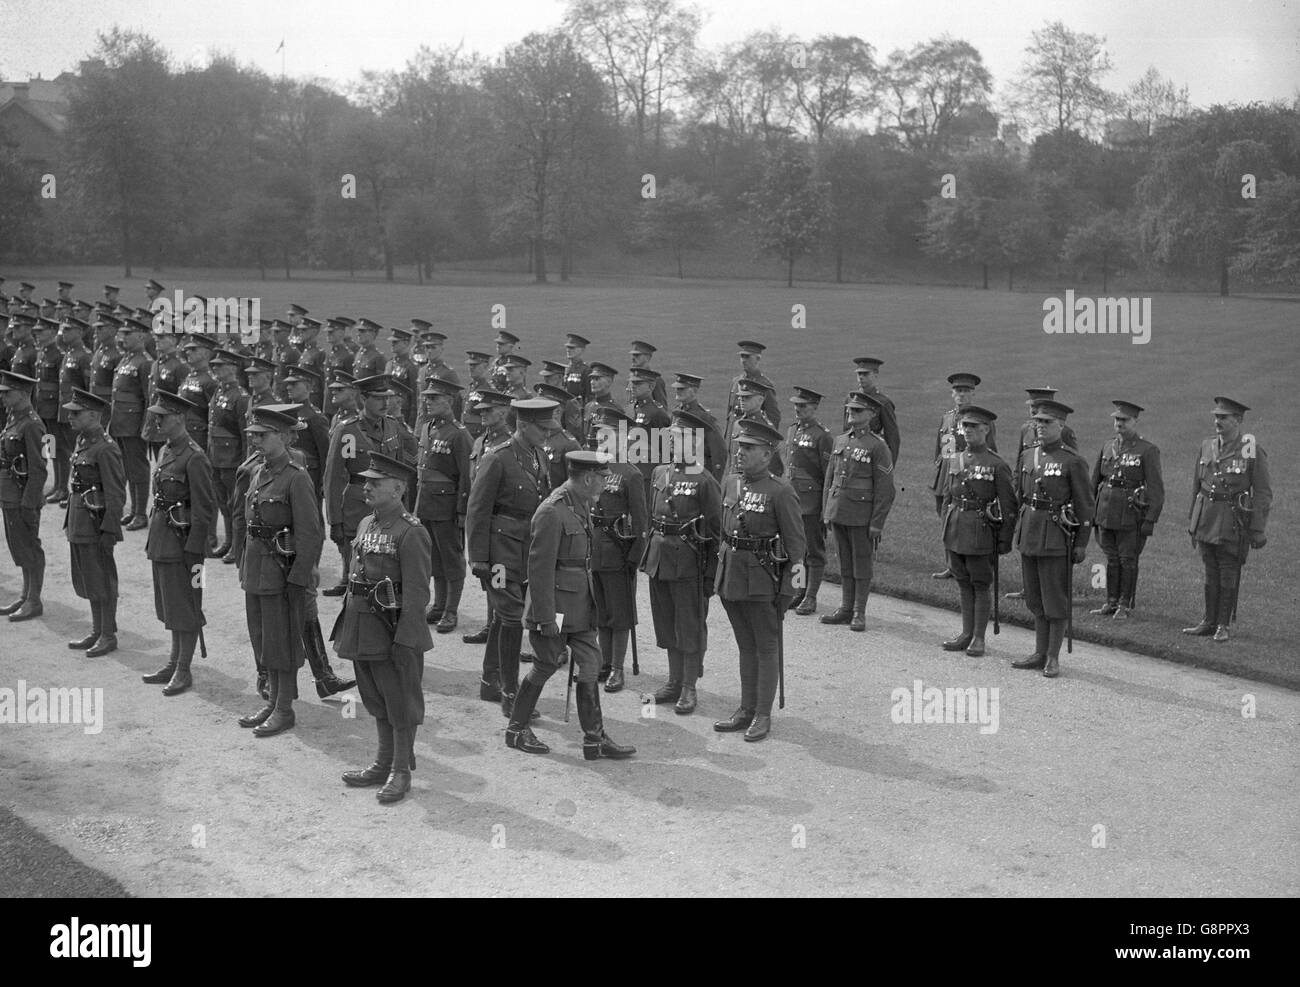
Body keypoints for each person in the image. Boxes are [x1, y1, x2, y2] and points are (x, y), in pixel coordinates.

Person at [505, 449, 636, 761]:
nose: (606, 482)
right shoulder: (552, 511)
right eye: (603, 478)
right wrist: (547, 618)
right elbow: (539, 570)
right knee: (547, 663)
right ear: (588, 477)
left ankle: (594, 738)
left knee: (591, 663)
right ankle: (516, 728)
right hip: (555, 609)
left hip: (579, 605)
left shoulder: (581, 504)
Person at [333, 452, 434, 804]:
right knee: (375, 698)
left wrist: (406, 640)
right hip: (364, 626)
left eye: (377, 482)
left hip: (393, 631)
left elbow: (418, 593)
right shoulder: (366, 524)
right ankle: (381, 762)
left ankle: (400, 771)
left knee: (401, 702)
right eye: (367, 480)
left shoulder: (411, 532)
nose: (368, 486)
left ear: (399, 488)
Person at [233, 406, 325, 736]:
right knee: (263, 641)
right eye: (253, 435)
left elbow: (311, 533)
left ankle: (284, 708)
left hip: (282, 574)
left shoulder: (296, 478)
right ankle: (273, 702)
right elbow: (248, 522)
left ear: (284, 437)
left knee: (282, 643)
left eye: (263, 435)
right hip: (257, 570)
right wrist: (243, 563)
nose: (256, 441)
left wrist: (298, 578)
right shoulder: (260, 471)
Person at [713, 419, 805, 742]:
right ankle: (745, 708)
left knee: (766, 648)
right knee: (745, 645)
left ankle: (762, 714)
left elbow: (798, 549)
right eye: (740, 447)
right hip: (732, 579)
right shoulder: (730, 482)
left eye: (749, 449)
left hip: (762, 583)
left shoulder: (780, 492)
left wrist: (790, 591)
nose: (740, 453)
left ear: (767, 456)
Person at [465, 397, 555, 715]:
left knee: (504, 617)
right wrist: (478, 558)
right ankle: (510, 693)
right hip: (500, 551)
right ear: (524, 425)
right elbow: (477, 510)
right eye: (542, 428)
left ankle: (491, 682)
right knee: (512, 615)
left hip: (525, 550)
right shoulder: (497, 458)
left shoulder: (537, 456)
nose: (547, 434)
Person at [642, 407, 721, 712]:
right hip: (660, 558)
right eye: (671, 438)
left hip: (689, 561)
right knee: (667, 623)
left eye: (680, 439)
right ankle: (674, 681)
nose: (673, 444)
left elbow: (716, 532)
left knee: (689, 626)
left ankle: (689, 686)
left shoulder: (704, 480)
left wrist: (710, 576)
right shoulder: (661, 473)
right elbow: (653, 518)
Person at [1010, 399, 1094, 678]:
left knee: (1054, 599)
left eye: (1047, 422)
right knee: (1034, 598)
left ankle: (1053, 657)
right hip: (1030, 532)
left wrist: (1081, 542)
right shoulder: (1027, 456)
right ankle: (1039, 652)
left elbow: (1085, 505)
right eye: (1038, 421)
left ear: (1061, 425)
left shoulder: (1073, 461)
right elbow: (1019, 495)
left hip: (1055, 536)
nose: (1041, 427)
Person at [140, 390, 217, 695]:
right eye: (156, 416)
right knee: (170, 606)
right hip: (162, 540)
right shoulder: (166, 451)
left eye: (163, 417)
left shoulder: (194, 457)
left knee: (186, 607)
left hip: (185, 547)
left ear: (180, 418)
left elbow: (204, 509)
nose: (157, 422)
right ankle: (174, 662)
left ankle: (184, 669)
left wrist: (194, 552)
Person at [1182, 396, 1271, 642]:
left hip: (1232, 521)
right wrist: (1193, 521)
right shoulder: (1207, 445)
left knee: (1228, 571)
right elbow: (1196, 485)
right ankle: (1208, 621)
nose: (1217, 421)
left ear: (1238, 420)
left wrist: (1257, 528)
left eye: (1223, 417)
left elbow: (1263, 492)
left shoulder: (1249, 448)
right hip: (1207, 518)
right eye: (1216, 417)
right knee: (1210, 570)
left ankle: (1223, 625)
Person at [937, 406, 1016, 655]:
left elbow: (1009, 506)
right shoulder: (956, 459)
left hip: (980, 532)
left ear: (986, 430)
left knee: (980, 583)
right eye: (965, 426)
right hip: (956, 527)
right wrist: (946, 526)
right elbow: (949, 495)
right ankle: (966, 633)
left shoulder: (996, 464)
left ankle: (979, 638)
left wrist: (1004, 538)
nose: (968, 431)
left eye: (974, 427)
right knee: (962, 581)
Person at [322, 375, 405, 596]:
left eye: (386, 398)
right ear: (363, 399)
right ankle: (349, 581)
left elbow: (401, 467)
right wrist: (334, 519)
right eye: (378, 398)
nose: (385, 403)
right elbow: (333, 477)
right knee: (353, 544)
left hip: (387, 499)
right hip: (357, 499)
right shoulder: (347, 430)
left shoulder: (393, 426)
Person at [822, 392, 896, 632]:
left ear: (872, 415)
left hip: (861, 515)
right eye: (850, 410)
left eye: (857, 411)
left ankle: (858, 611)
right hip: (840, 509)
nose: (851, 414)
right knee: (844, 562)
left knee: (861, 563)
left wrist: (877, 522)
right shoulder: (840, 440)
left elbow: (885, 489)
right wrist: (827, 510)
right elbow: (830, 478)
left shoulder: (878, 446)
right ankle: (845, 607)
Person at [586, 405, 648, 692]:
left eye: (606, 434)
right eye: (598, 434)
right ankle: (603, 662)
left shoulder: (630, 474)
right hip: (594, 548)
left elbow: (642, 524)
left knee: (619, 613)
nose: (600, 440)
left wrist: (633, 558)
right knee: (600, 610)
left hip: (618, 551)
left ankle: (617, 668)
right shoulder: (593, 469)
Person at [63, 389, 126, 654]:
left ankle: (108, 634)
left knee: (102, 579)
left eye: (76, 413)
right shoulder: (82, 440)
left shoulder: (105, 448)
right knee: (88, 577)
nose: (70, 417)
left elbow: (115, 493)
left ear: (93, 415)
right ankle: (97, 629)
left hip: (96, 523)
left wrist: (110, 529)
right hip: (79, 519)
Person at [1089, 401, 1165, 620]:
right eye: (1117, 419)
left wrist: (1150, 518)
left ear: (1135, 422)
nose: (1119, 423)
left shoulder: (1147, 450)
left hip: (1130, 513)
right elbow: (1095, 480)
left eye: (1124, 420)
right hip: (1105, 510)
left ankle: (1125, 603)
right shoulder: (1107, 446)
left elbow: (1156, 488)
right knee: (1111, 558)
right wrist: (1091, 511)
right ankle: (1111, 601)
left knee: (1127, 559)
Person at [414, 377, 470, 633]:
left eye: (434, 398)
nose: (427, 401)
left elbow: (466, 477)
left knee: (451, 559)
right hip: (427, 504)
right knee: (434, 557)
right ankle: (438, 604)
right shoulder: (428, 428)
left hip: (447, 507)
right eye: (426, 397)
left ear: (449, 401)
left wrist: (461, 511)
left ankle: (451, 609)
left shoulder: (459, 434)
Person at [460, 388, 512, 645]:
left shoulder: (509, 445)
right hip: (481, 519)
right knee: (486, 574)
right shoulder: (480, 442)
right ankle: (491, 624)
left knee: (501, 577)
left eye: (488, 411)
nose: (482, 415)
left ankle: (501, 626)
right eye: (480, 411)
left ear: (503, 412)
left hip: (501, 521)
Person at [930, 373, 995, 579]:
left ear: (973, 393)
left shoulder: (980, 420)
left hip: (968, 476)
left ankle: (967, 563)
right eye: (958, 391)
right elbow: (940, 448)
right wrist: (938, 471)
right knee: (946, 519)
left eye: (966, 391)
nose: (962, 395)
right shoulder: (947, 417)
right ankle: (952, 565)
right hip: (946, 474)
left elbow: (990, 450)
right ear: (952, 393)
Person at [0, 371, 49, 621]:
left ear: (22, 394)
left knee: (29, 547)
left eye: (7, 393)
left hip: (23, 498)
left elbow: (39, 468)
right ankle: (25, 593)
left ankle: (34, 599)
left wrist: (30, 503)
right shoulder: (14, 418)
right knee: (18, 546)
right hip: (9, 494)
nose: (3, 397)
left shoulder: (32, 424)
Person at [205, 349, 249, 559]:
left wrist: (244, 463)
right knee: (223, 502)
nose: (215, 369)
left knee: (235, 505)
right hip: (216, 456)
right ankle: (229, 541)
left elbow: (245, 435)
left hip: (232, 459)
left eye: (220, 366)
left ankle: (237, 546)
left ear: (232, 368)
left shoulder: (240, 397)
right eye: (214, 366)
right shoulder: (219, 392)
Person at [53, 318, 92, 507]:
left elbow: (87, 389)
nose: (64, 333)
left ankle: (74, 492)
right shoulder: (69, 353)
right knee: (60, 450)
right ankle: (62, 488)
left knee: (76, 454)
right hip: (63, 408)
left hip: (76, 412)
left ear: (80, 332)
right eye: (63, 330)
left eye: (69, 330)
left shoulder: (84, 356)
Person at [669, 371, 725, 482]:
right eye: (677, 388)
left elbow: (719, 452)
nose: (677, 391)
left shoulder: (705, 418)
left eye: (682, 389)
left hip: (698, 474)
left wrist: (714, 481)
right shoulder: (677, 412)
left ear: (693, 391)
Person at [725, 341, 780, 440]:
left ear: (758, 359)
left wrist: (768, 441)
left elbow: (773, 417)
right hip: (733, 434)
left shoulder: (764, 385)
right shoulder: (736, 381)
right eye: (742, 356)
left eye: (747, 357)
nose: (743, 360)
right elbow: (730, 414)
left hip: (751, 437)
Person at [851, 357, 899, 464]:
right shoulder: (850, 399)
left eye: (865, 374)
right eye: (859, 374)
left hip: (871, 454)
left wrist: (889, 465)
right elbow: (846, 429)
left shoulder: (883, 402)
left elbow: (892, 436)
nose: (861, 377)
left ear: (875, 374)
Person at [385, 327, 421, 428]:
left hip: (402, 413)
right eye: (392, 342)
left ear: (406, 343)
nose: (392, 344)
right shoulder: (389, 363)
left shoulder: (411, 366)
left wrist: (412, 423)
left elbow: (415, 399)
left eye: (395, 342)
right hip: (387, 410)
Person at [628, 341, 669, 407]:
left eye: (637, 355)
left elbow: (662, 408)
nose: (633, 358)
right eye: (632, 354)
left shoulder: (655, 380)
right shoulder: (632, 376)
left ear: (648, 357)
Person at [562, 332, 592, 406]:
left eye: (572, 348)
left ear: (581, 350)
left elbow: (590, 396)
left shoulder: (586, 370)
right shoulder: (565, 369)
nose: (568, 350)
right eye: (567, 347)